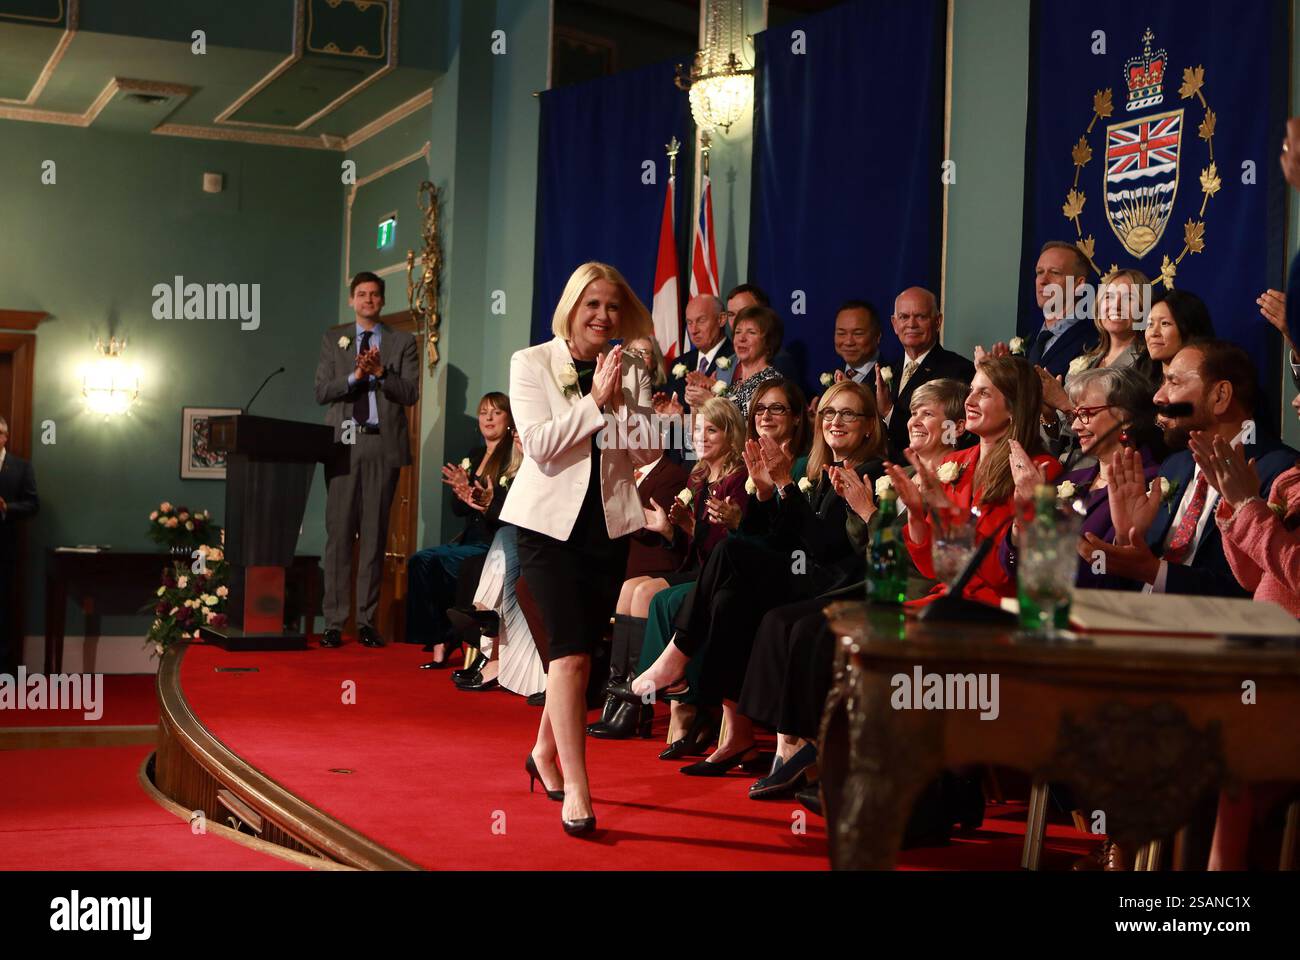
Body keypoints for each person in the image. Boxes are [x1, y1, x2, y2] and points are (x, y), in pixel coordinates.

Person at [621, 381, 888, 774]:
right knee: (730, 599)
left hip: (833, 584)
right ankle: (737, 737)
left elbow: (826, 548)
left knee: (731, 554)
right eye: (830, 413)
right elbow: (774, 536)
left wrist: (783, 485)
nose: (836, 421)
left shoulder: (869, 471)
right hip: (800, 572)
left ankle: (679, 655)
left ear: (869, 426)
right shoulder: (819, 470)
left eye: (848, 414)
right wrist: (765, 493)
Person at [740, 378, 969, 800]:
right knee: (777, 614)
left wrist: (865, 512)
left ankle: (806, 749)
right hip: (877, 582)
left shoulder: (934, 473)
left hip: (908, 594)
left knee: (806, 625)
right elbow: (869, 549)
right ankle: (790, 745)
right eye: (913, 412)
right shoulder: (891, 474)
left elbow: (874, 555)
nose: (914, 421)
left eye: (927, 413)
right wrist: (776, 490)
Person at [498, 261, 658, 835]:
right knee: (567, 655)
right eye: (592, 305)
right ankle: (580, 791)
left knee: (582, 654)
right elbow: (539, 447)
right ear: (571, 307)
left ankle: (542, 754)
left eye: (613, 307)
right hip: (546, 528)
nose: (603, 316)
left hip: (607, 525)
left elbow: (642, 455)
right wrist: (592, 400)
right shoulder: (531, 362)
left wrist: (627, 409)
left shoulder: (631, 365)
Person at [627, 377, 813, 757]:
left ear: (796, 418)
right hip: (747, 570)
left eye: (777, 408)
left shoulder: (804, 465)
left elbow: (792, 539)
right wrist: (678, 526)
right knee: (719, 598)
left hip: (796, 573)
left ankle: (680, 676)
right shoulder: (749, 463)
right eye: (760, 408)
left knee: (722, 563)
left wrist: (742, 515)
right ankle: (712, 724)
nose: (766, 415)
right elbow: (759, 534)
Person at [1081, 340, 1298, 597]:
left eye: (1174, 383)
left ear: (1220, 396)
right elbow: (1137, 579)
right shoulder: (1176, 465)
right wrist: (1129, 537)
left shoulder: (1281, 473)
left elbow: (1257, 592)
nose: (1158, 397)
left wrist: (1156, 571)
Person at [595, 398, 750, 740]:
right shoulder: (698, 477)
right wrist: (670, 528)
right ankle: (619, 690)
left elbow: (727, 549)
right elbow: (695, 544)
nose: (702, 437)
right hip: (697, 566)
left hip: (719, 576)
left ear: (731, 435)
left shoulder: (738, 480)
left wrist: (692, 528)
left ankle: (639, 702)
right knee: (630, 589)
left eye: (712, 430)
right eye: (697, 430)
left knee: (648, 593)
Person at [886, 356, 1062, 608]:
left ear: (1014, 407)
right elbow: (933, 567)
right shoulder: (956, 462)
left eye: (984, 393)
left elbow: (1002, 575)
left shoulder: (1040, 470)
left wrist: (949, 512)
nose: (969, 401)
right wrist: (915, 513)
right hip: (949, 600)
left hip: (996, 609)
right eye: (971, 391)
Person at [314, 272, 419, 649]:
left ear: (382, 300)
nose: (368, 300)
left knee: (374, 537)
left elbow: (410, 393)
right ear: (351, 300)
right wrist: (355, 375)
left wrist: (381, 373)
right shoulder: (333, 338)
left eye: (374, 295)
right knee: (339, 534)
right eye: (361, 294)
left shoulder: (402, 341)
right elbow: (321, 391)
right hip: (343, 444)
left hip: (382, 445)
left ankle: (365, 622)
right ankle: (334, 621)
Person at [1011, 366, 1158, 590]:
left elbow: (1103, 576)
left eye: (1087, 414)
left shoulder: (1150, 485)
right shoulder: (1071, 478)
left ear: (1126, 417)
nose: (1076, 425)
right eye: (1077, 414)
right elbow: (1011, 566)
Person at [409, 393, 519, 668]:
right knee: (420, 561)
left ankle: (450, 638)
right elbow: (458, 511)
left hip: (494, 542)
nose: (489, 418)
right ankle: (439, 637)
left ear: (508, 420)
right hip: (468, 538)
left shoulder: (513, 454)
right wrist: (462, 491)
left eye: (496, 412)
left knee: (434, 562)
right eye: (483, 413)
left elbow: (507, 510)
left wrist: (481, 499)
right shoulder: (474, 454)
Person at [1037, 268, 1156, 457]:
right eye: (1108, 297)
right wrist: (1049, 414)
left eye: (1128, 299)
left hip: (1111, 467)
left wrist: (1064, 403)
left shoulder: (1149, 365)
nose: (1116, 305)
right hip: (1066, 467)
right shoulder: (1083, 362)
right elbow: (1061, 440)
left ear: (1144, 308)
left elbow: (1135, 431)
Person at [875, 287, 975, 459]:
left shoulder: (959, 370)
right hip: (882, 472)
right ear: (894, 324)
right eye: (904, 317)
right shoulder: (883, 371)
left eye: (920, 317)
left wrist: (889, 412)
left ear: (938, 321)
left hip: (933, 471)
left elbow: (952, 437)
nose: (912, 324)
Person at [1025, 241, 1099, 377]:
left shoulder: (1095, 341)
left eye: (1055, 272)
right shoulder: (1030, 339)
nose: (1043, 280)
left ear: (1079, 284)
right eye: (1039, 272)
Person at [0, 415, 38, 672]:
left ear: (4, 436)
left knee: (3, 607)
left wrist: (7, 507)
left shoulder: (21, 467)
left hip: (5, 549)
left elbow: (33, 505)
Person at [663, 295, 732, 413]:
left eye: (701, 320)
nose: (694, 330)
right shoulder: (679, 362)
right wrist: (667, 419)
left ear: (721, 319)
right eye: (689, 322)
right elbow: (674, 427)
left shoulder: (737, 359)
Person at [724, 283, 800, 382]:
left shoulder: (779, 363)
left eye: (745, 312)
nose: (737, 320)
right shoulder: (728, 362)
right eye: (731, 314)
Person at [722, 305, 786, 418]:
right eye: (738, 332)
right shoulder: (736, 384)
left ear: (769, 342)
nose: (741, 338)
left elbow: (753, 429)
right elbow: (702, 434)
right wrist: (692, 410)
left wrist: (711, 402)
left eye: (751, 332)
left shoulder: (771, 383)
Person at [1143, 289, 1214, 374]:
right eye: (1150, 324)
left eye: (1165, 323)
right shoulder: (1133, 382)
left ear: (1190, 330)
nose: (1153, 333)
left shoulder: (1208, 382)